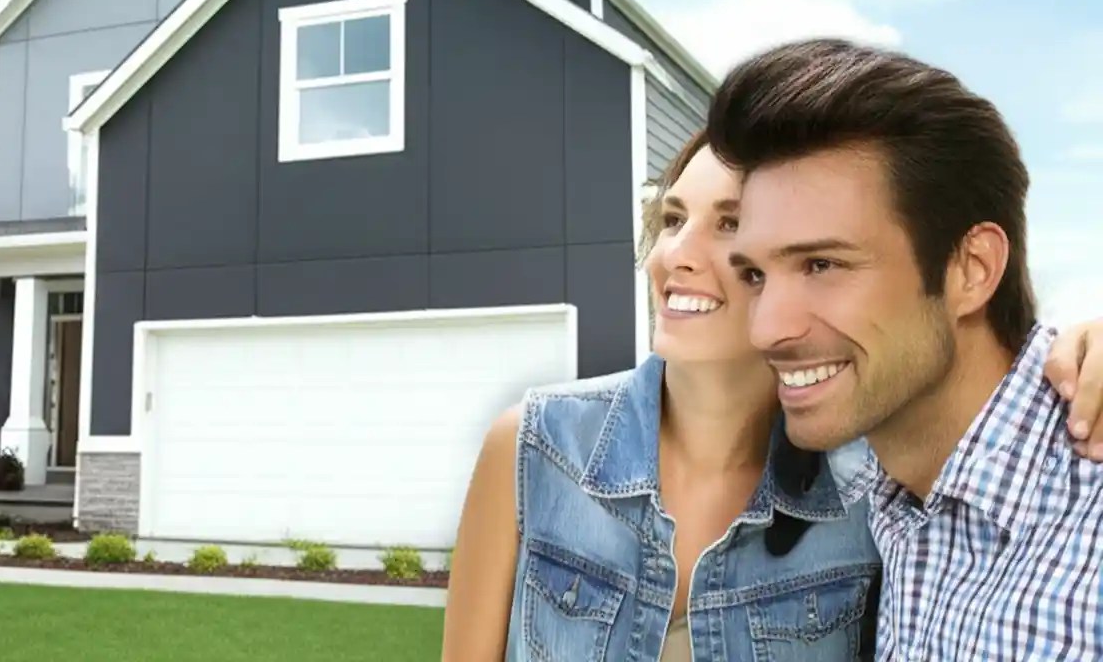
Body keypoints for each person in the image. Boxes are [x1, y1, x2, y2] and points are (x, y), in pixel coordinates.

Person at [440, 123, 1103, 659]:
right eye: (673, 219)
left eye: (729, 225)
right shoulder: (536, 445)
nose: (678, 255)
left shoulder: (870, 497)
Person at [709, 37, 1103, 660]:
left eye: (821, 264)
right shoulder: (872, 486)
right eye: (756, 275)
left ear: (971, 269)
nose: (766, 330)